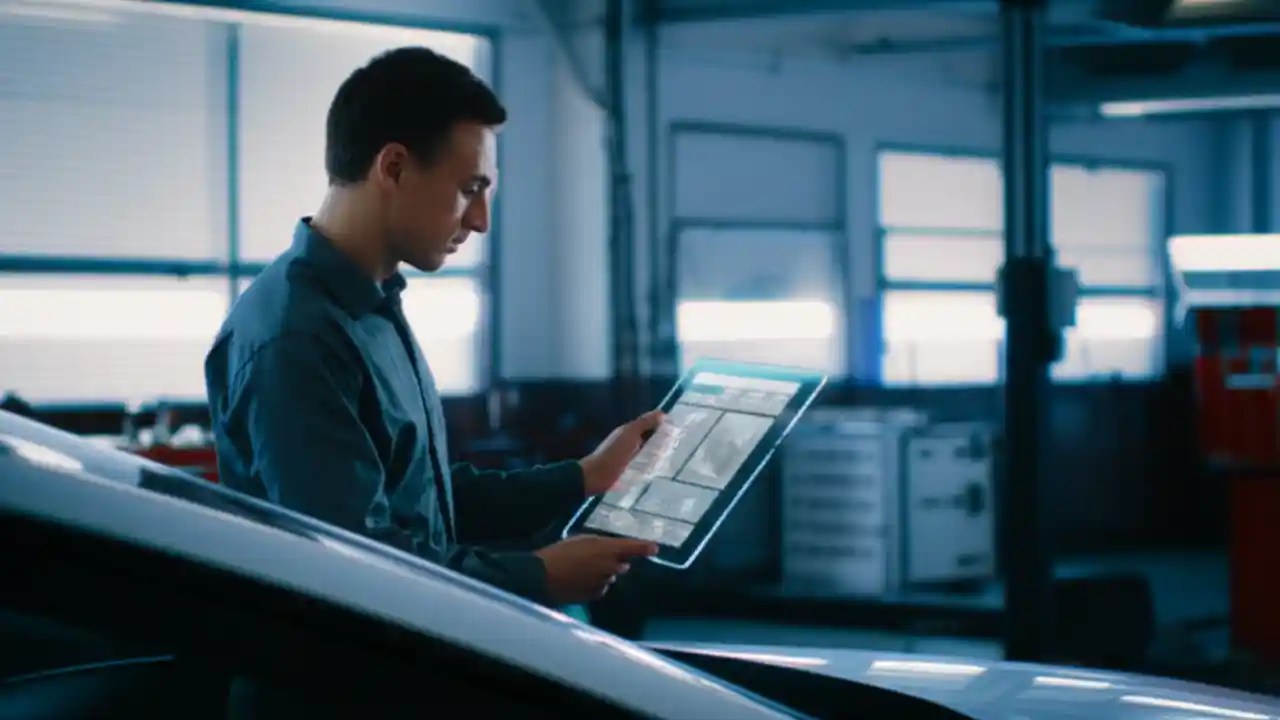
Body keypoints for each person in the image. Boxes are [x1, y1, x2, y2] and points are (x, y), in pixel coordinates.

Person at [204, 46, 659, 607]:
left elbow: (424, 500)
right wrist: (536, 578)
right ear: (393, 167)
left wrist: (585, 476)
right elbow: (358, 566)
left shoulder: (373, 304)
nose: (481, 221)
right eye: (469, 189)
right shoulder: (296, 338)